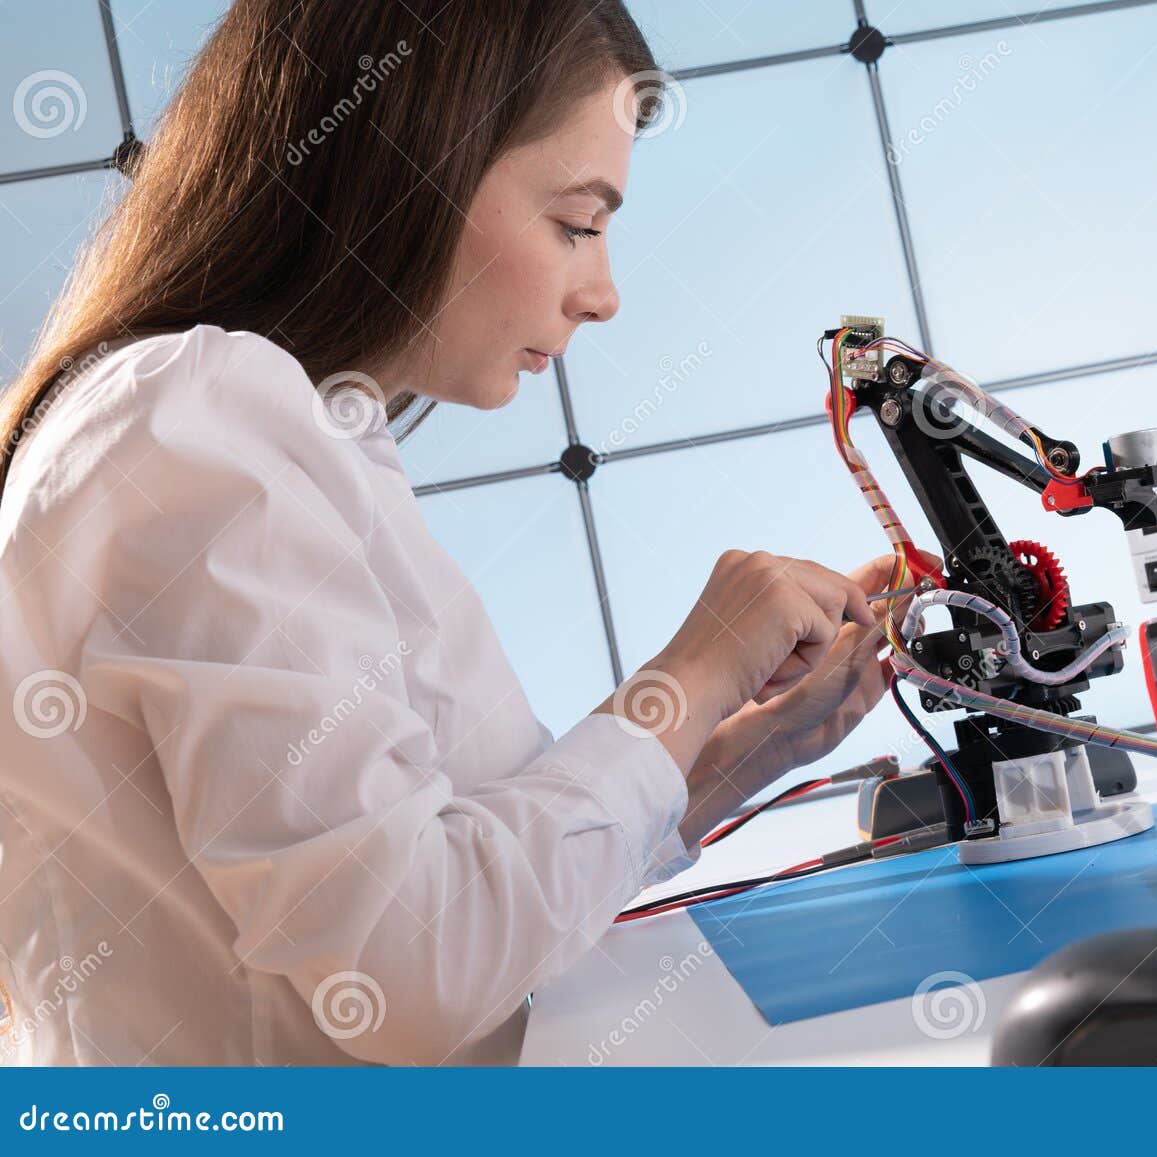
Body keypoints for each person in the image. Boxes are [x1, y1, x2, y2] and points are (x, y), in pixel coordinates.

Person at [0, 0, 903, 1066]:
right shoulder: (195, 416)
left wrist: (766, 741)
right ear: (408, 166)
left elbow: (474, 888)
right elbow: (411, 973)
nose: (603, 294)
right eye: (576, 222)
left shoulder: (283, 430)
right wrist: (698, 664)